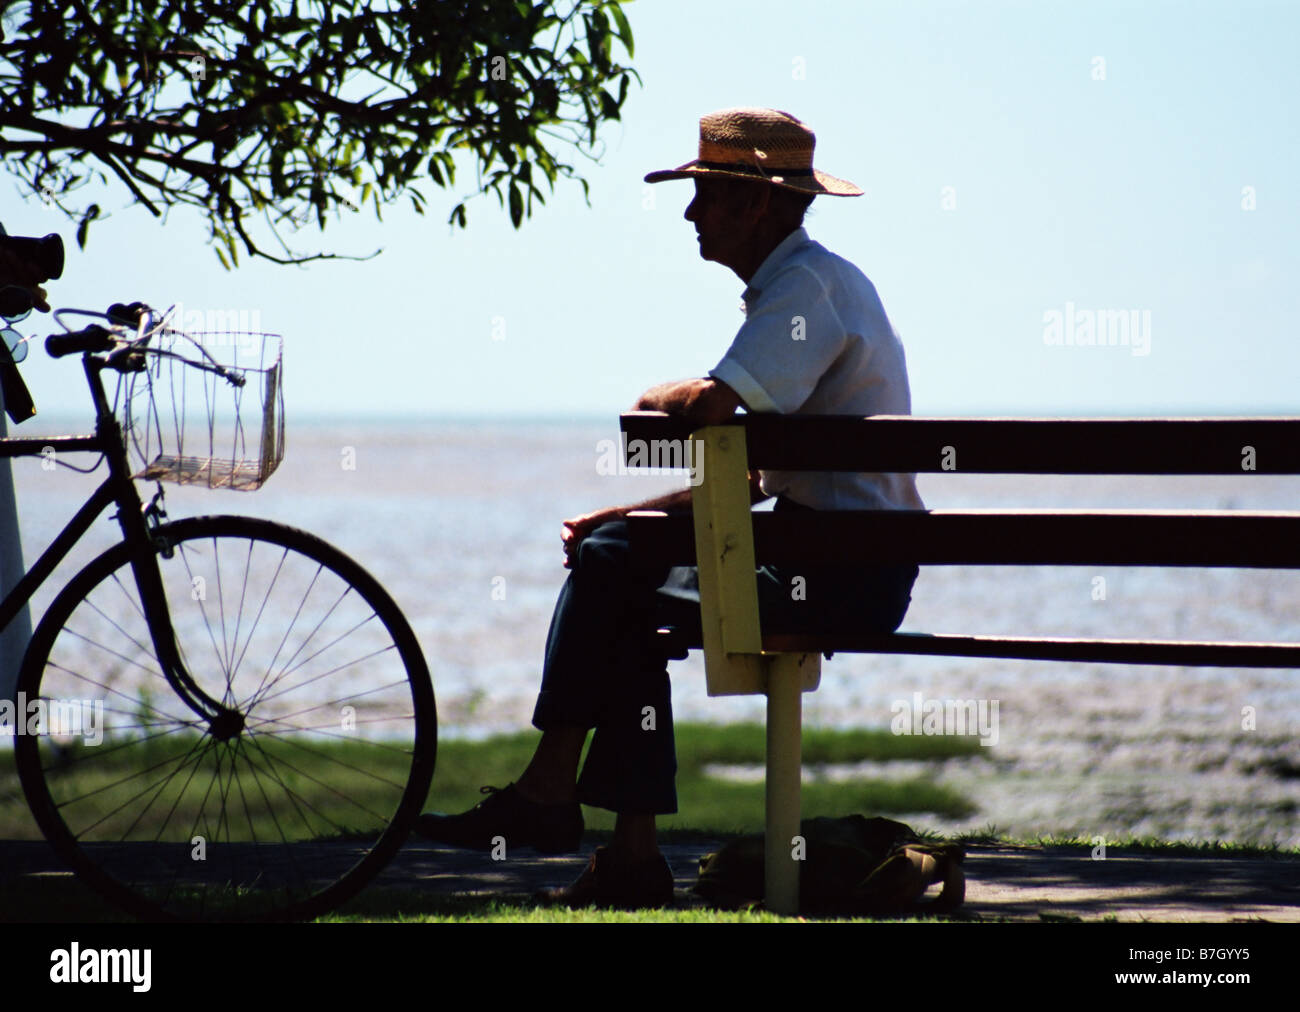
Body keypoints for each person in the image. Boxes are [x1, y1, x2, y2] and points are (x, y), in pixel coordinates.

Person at [413, 108, 924, 907]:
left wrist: (659, 395)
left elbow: (714, 409)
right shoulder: (808, 286)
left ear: (755, 204)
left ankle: (552, 792)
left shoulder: (803, 291)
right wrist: (624, 518)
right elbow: (747, 479)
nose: (690, 214)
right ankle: (628, 857)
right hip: (831, 556)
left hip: (837, 574)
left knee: (614, 568)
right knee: (619, 569)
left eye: (706, 195)